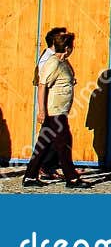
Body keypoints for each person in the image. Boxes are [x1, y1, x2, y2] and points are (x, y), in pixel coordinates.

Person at [22, 32, 88, 188]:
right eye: (71, 46)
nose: (73, 48)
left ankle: (30, 177)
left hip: (60, 111)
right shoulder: (53, 63)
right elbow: (42, 86)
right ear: (66, 48)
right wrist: (42, 111)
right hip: (54, 112)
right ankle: (71, 179)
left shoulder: (63, 62)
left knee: (43, 145)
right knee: (64, 144)